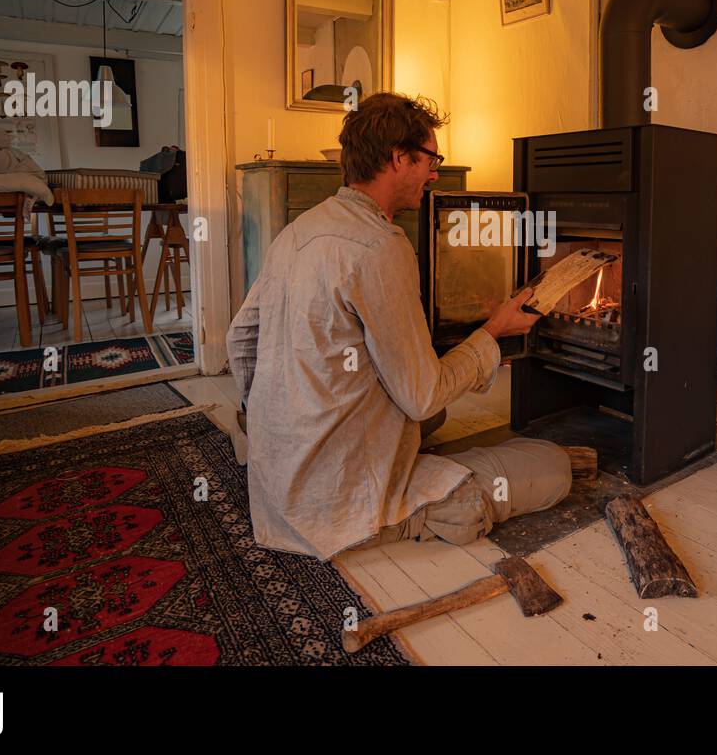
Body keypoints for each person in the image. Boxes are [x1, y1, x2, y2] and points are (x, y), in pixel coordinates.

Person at [227, 92, 571, 560]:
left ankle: (309, 464)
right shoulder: (379, 246)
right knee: (553, 467)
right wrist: (493, 331)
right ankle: (396, 509)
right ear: (398, 158)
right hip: (331, 504)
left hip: (274, 483)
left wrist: (274, 431)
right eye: (431, 159)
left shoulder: (300, 230)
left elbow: (241, 338)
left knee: (435, 418)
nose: (434, 173)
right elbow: (421, 394)